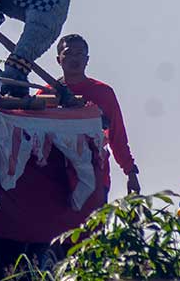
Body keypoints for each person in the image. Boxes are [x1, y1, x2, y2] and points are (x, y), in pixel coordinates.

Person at [53, 34, 140, 197]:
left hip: (95, 176)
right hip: (55, 177)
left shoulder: (103, 93)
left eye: (79, 54)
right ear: (59, 59)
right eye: (69, 53)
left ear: (87, 59)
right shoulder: (47, 94)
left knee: (93, 222)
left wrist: (130, 173)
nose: (75, 58)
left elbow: (117, 135)